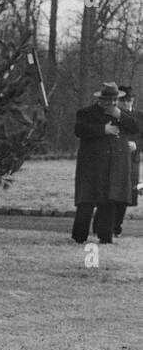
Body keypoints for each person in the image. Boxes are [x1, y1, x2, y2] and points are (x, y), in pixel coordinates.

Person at [72, 81, 139, 245]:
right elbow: (79, 130)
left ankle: (105, 236)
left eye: (115, 100)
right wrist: (103, 130)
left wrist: (119, 115)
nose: (113, 103)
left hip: (114, 166)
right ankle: (79, 236)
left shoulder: (121, 114)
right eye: (109, 100)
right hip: (92, 166)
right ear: (101, 100)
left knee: (109, 201)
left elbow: (135, 128)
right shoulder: (86, 113)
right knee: (86, 202)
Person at [114, 84, 139, 236]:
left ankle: (117, 225)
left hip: (132, 160)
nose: (126, 103)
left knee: (126, 196)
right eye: (123, 100)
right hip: (115, 159)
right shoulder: (113, 116)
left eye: (129, 100)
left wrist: (137, 145)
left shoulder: (140, 116)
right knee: (113, 194)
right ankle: (108, 224)